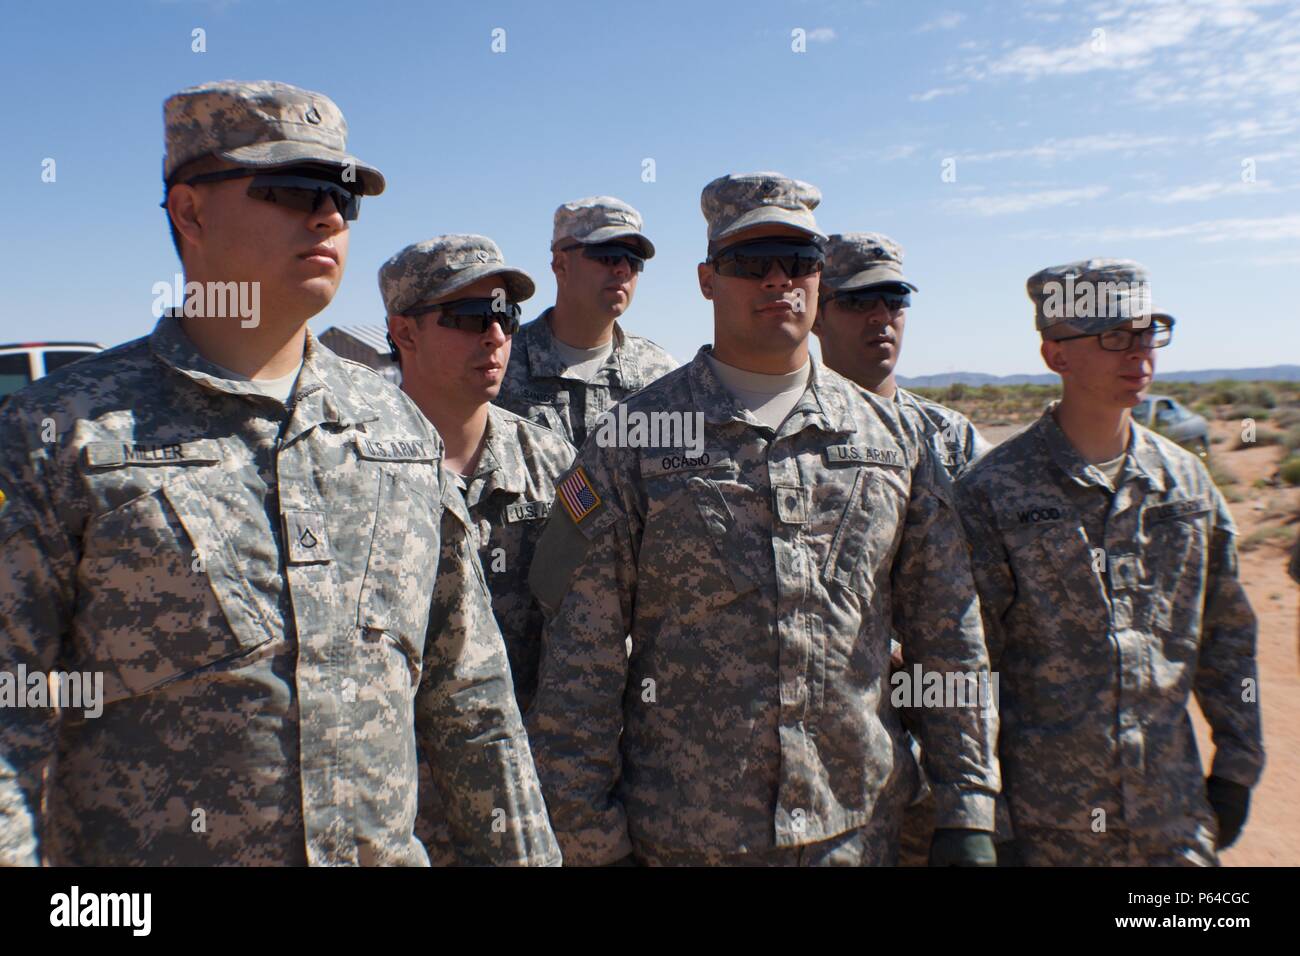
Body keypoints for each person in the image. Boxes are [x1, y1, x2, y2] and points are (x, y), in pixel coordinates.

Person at [0, 80, 558, 866]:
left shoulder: (396, 431)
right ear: (190, 212)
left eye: (341, 196)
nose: (328, 216)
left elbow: (470, 691)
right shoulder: (60, 435)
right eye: (292, 190)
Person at [524, 171, 999, 866]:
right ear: (708, 279)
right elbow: (579, 660)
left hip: (857, 828)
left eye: (801, 261)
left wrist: (967, 804)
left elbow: (948, 630)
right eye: (751, 263)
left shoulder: (893, 441)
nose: (779, 279)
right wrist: (588, 837)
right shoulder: (636, 439)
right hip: (688, 839)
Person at [957, 259, 1264, 865]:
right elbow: (968, 670)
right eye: (1113, 337)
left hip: (1172, 822)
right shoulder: (991, 492)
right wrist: (981, 815)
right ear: (1056, 355)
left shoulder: (1186, 485)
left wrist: (1236, 764)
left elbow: (1226, 636)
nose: (1138, 353)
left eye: (1148, 332)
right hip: (1048, 829)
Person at [813, 230, 994, 865]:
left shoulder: (949, 439)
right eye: (860, 301)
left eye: (893, 300)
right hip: (843, 756)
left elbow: (990, 598)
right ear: (816, 310)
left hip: (946, 727)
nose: (881, 318)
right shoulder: (783, 440)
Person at [381, 234, 575, 711]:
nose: (495, 335)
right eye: (470, 317)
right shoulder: (362, 465)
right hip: (402, 770)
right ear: (405, 333)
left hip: (528, 761)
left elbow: (590, 628)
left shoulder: (550, 463)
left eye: (506, 316)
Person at [495, 196, 677, 447]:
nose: (623, 269)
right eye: (609, 255)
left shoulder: (661, 376)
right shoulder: (498, 366)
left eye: (634, 260)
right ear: (561, 264)